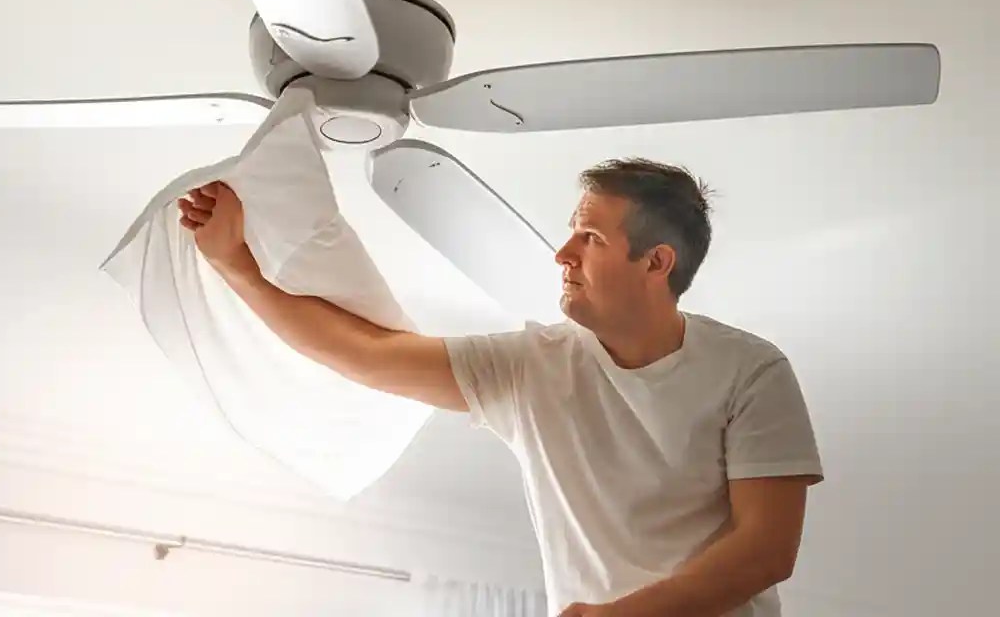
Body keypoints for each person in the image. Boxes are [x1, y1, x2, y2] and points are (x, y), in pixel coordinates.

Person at [177, 157, 823, 617]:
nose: (562, 252)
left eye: (590, 237)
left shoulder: (750, 371)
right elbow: (366, 354)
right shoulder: (531, 365)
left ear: (656, 262)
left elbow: (764, 551)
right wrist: (236, 263)